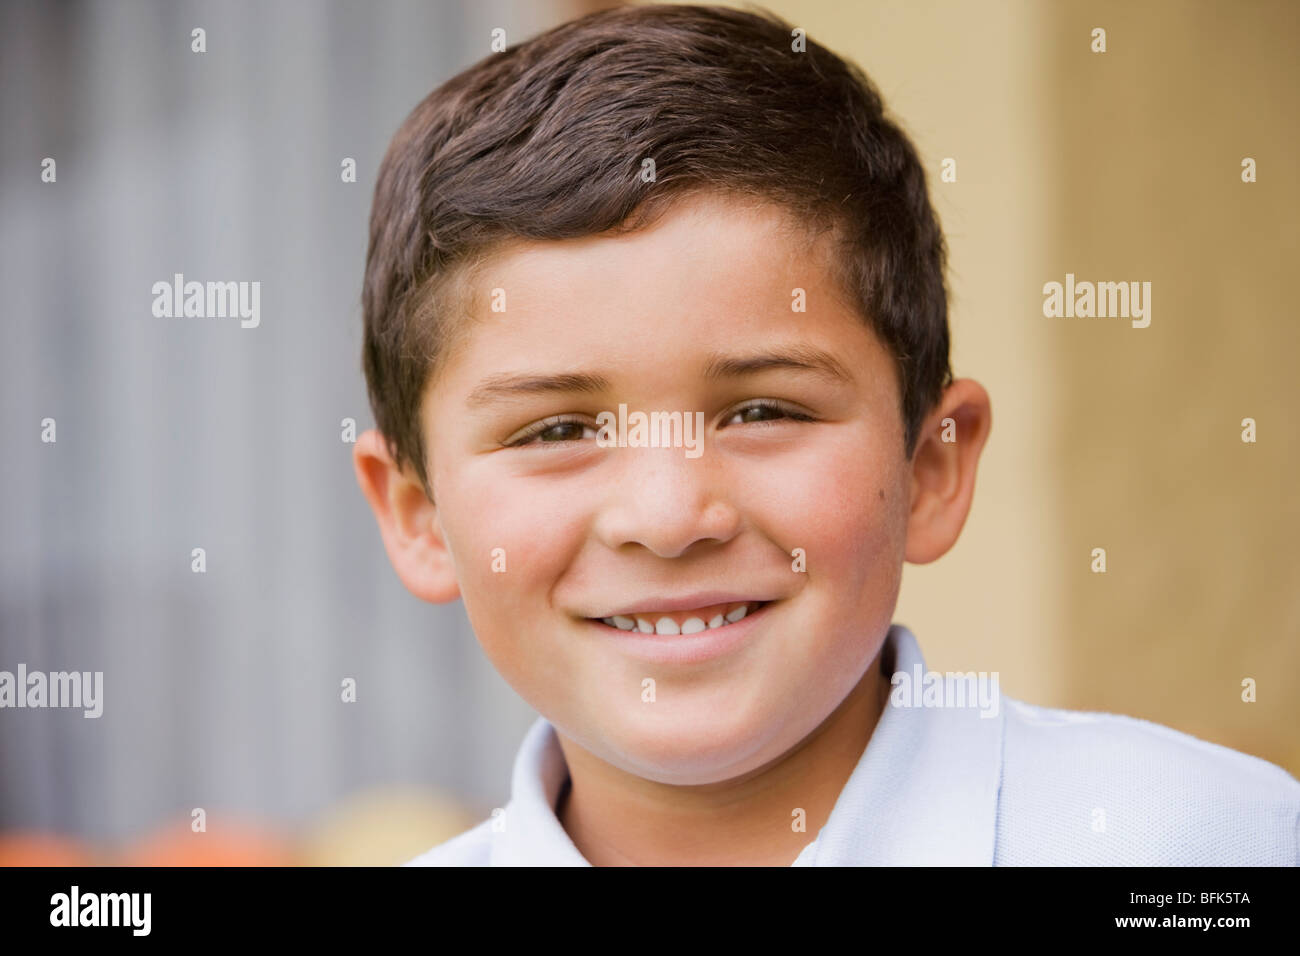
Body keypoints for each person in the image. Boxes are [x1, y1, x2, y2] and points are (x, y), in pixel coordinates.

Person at [352, 3, 1299, 866]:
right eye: (557, 429)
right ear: (419, 515)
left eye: (764, 411)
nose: (671, 517)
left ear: (931, 465)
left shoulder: (1204, 848)